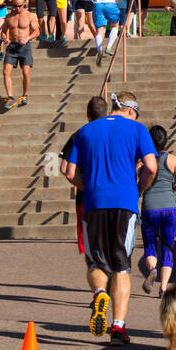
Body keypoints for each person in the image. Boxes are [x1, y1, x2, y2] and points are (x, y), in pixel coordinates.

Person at [62, 89, 157, 346]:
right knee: (122, 266)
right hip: (125, 204)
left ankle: (99, 292)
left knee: (95, 263)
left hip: (93, 204)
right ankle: (118, 328)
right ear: (130, 109)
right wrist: (139, 188)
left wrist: (89, 187)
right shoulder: (137, 130)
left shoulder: (86, 131)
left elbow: (69, 172)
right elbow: (151, 167)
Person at [139, 125, 176, 296]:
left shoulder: (142, 161)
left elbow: (134, 181)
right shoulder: (173, 160)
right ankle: (163, 288)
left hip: (150, 207)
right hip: (169, 207)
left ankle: (152, 270)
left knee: (150, 246)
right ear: (165, 140)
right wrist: (175, 187)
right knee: (168, 247)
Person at [59, 96, 108, 258]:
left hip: (86, 195)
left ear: (87, 114)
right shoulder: (114, 134)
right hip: (113, 193)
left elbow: (66, 169)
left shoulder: (79, 134)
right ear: (107, 113)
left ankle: (96, 272)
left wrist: (86, 187)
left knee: (89, 242)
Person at [0, 0, 40, 108]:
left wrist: (27, 38)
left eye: (19, 6)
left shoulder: (30, 16)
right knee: (6, 71)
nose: (17, 8)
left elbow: (37, 31)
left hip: (24, 47)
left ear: (24, 4)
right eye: (15, 6)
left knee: (26, 72)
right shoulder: (9, 16)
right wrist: (5, 38)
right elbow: (3, 31)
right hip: (12, 47)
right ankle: (10, 98)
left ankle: (25, 95)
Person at [92, 0, 128, 65]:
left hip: (98, 4)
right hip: (110, 4)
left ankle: (99, 48)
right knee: (115, 25)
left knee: (100, 30)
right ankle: (108, 47)